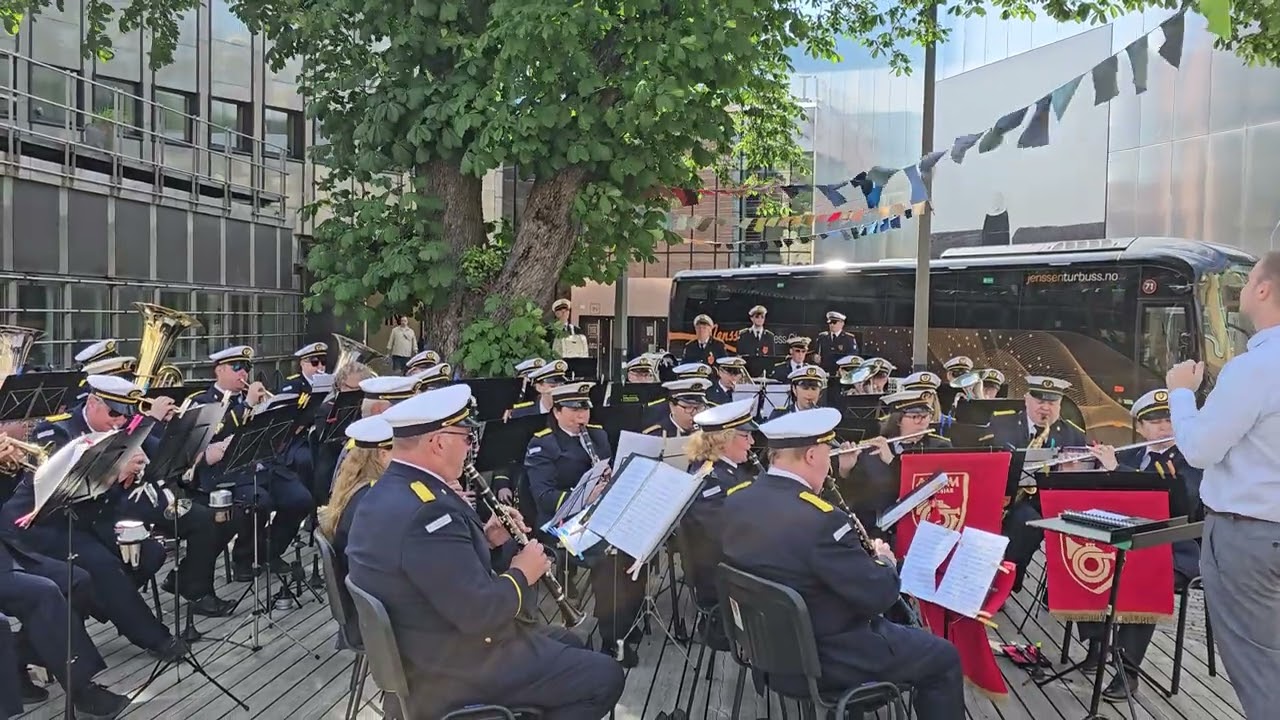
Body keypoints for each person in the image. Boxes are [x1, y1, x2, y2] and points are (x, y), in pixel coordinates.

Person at [347, 384, 624, 718]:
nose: (471, 447)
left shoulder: (385, 493)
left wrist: (487, 539)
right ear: (438, 443)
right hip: (453, 671)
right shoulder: (428, 513)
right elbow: (481, 614)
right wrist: (523, 572)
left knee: (571, 643)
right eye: (467, 438)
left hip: (428, 646)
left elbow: (437, 570)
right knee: (605, 677)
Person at [719, 407, 963, 720]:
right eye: (827, 453)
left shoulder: (737, 499)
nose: (829, 464)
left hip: (765, 650)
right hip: (826, 659)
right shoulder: (821, 520)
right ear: (811, 456)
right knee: (944, 657)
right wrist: (884, 561)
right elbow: (880, 596)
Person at [1165, 251, 1280, 719]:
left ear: (1264, 290)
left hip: (1249, 536)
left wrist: (1180, 393)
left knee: (1261, 669)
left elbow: (1198, 448)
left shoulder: (1256, 367)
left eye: (1248, 281)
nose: (1243, 289)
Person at [0, 376, 187, 662]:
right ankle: (155, 638)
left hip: (88, 518)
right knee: (104, 567)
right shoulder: (57, 432)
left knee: (151, 553)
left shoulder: (120, 432)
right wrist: (114, 475)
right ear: (92, 403)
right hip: (39, 524)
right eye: (113, 413)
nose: (119, 422)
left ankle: (100, 604)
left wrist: (130, 476)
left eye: (124, 416)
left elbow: (108, 500)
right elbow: (60, 493)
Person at [1078, 388, 1202, 701]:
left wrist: (1117, 471)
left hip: (1175, 549)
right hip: (1125, 543)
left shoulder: (1193, 458)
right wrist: (1086, 471)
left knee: (1146, 578)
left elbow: (1185, 503)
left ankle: (1127, 670)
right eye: (1155, 422)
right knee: (1083, 560)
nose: (1163, 427)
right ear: (1141, 427)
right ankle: (1098, 643)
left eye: (1169, 420)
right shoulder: (1130, 456)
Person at [522, 383, 643, 666]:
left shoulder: (597, 435)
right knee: (608, 555)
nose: (582, 417)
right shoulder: (542, 444)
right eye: (574, 410)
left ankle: (626, 617)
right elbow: (543, 497)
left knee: (638, 542)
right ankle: (612, 637)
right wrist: (583, 496)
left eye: (585, 409)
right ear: (557, 411)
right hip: (560, 522)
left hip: (598, 515)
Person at [187, 345, 314, 581]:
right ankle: (244, 559)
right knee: (258, 503)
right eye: (237, 367)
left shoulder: (253, 399)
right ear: (219, 370)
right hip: (226, 471)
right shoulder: (202, 401)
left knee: (301, 499)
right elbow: (212, 435)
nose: (244, 373)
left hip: (261, 465)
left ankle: (269, 552)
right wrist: (246, 405)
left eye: (246, 367)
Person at [979, 374, 1087, 592]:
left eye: (1052, 403)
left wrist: (1072, 471)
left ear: (1060, 405)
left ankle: (1010, 579)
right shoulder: (1001, 423)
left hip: (1047, 501)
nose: (1045, 408)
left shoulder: (1073, 434)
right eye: (1039, 401)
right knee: (1022, 521)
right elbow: (984, 461)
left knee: (1029, 522)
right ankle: (1000, 578)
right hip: (1003, 495)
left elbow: (1080, 481)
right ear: (1027, 399)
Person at [319, 416, 392, 650]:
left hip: (362, 609)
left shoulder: (357, 489)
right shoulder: (373, 500)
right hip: (372, 618)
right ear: (383, 455)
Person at [842, 390, 952, 542]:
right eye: (915, 416)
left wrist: (892, 461)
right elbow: (856, 497)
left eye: (926, 416)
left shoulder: (940, 447)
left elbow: (925, 487)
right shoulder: (873, 448)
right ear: (898, 420)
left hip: (923, 526)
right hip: (880, 533)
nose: (922, 422)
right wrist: (845, 470)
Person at [682, 399, 758, 609]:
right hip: (724, 578)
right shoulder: (710, 480)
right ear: (723, 440)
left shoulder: (729, 470)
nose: (752, 442)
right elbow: (724, 535)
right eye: (745, 436)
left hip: (733, 565)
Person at [643, 379, 709, 437]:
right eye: (688, 407)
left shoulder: (709, 431)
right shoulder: (656, 435)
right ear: (672, 406)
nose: (695, 413)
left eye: (699, 407)